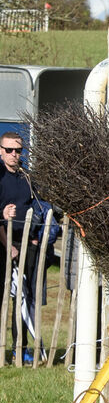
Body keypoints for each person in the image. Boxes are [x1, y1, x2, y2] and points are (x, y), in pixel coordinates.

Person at [1, 131, 43, 360]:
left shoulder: (27, 176)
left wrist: (35, 233)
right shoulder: (0, 176)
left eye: (18, 150)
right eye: (9, 150)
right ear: (1, 151)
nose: (14, 155)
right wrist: (8, 244)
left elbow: (39, 205)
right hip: (4, 242)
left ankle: (22, 349)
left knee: (24, 298)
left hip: (27, 241)